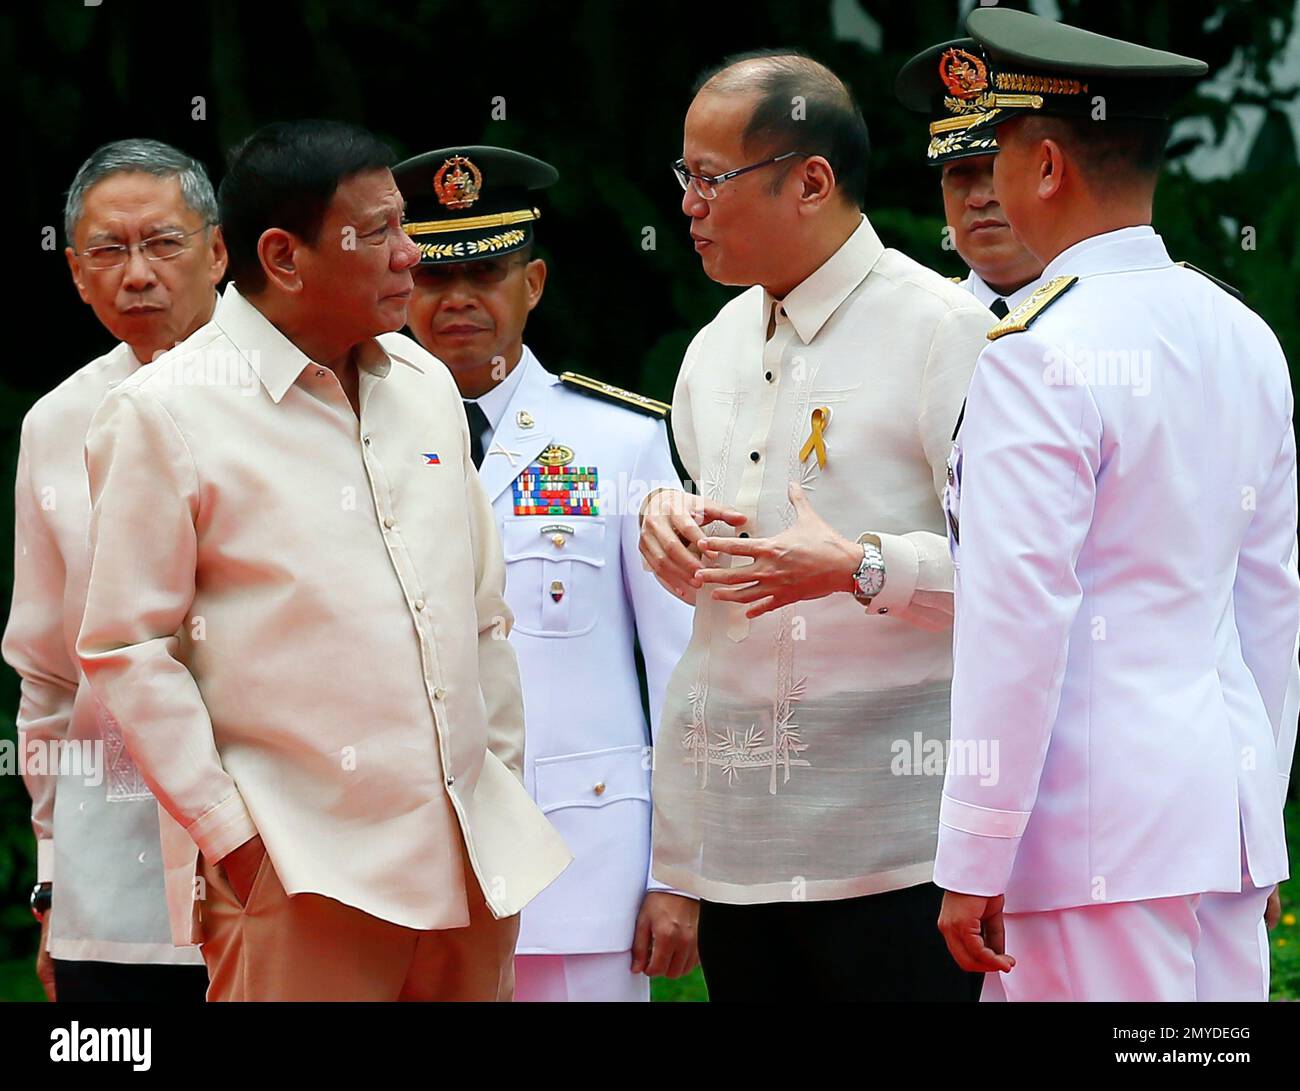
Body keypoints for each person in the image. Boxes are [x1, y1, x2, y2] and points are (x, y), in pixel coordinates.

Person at [75, 120, 570, 1002]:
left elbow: (481, 612)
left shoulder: (422, 386)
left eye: (401, 226)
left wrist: (496, 779)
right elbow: (128, 648)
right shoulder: (165, 412)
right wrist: (234, 835)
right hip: (301, 876)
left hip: (471, 864)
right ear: (284, 256)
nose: (408, 255)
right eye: (376, 231)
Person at [934, 7, 1298, 1002]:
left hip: (1085, 831)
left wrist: (973, 849)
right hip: (1213, 817)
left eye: (999, 149)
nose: (991, 179)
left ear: (1045, 166)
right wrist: (1257, 814)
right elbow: (1268, 606)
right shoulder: (1241, 334)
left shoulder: (1034, 350)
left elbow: (1017, 620)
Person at [639, 50, 990, 1001]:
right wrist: (668, 523)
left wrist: (860, 566)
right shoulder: (711, 350)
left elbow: (1018, 578)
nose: (688, 203)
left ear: (812, 181)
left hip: (898, 844)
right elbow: (721, 560)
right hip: (741, 841)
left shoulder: (940, 329)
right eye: (684, 177)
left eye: (710, 178)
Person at [394, 144, 698, 1002]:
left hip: (583, 869)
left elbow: (681, 666)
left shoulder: (618, 439)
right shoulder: (352, 438)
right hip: (412, 875)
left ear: (532, 283)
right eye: (433, 275)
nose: (456, 299)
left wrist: (677, 870)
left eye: (485, 272)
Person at [3, 139, 225, 1002]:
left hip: (284, 865)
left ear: (218, 250)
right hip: (113, 872)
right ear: (74, 273)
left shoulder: (301, 392)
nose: (138, 274)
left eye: (163, 244)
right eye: (109, 250)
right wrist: (53, 873)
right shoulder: (55, 424)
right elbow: (47, 678)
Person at [896, 37, 1045, 318]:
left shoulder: (1112, 315)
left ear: (1051, 172)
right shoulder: (914, 323)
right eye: (960, 173)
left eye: (999, 169)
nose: (979, 198)